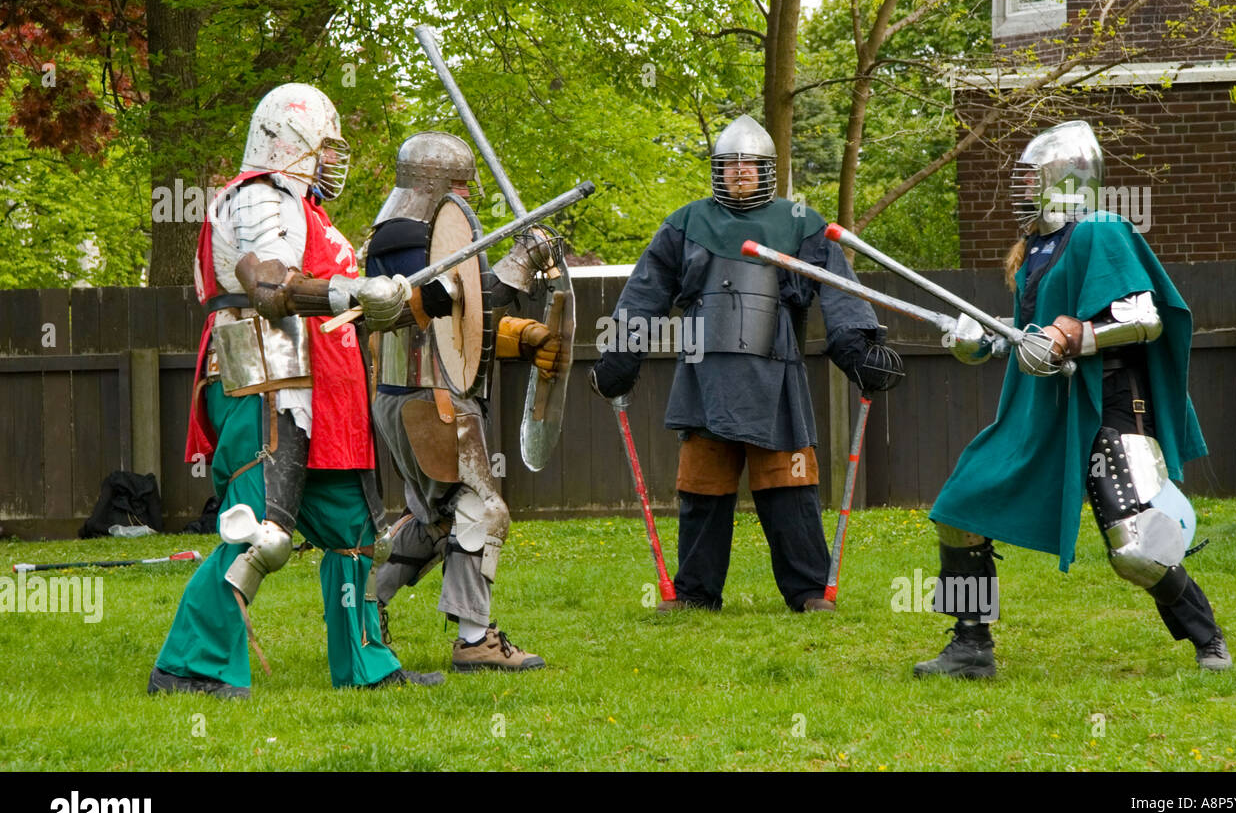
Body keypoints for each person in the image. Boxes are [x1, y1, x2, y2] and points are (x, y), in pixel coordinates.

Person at [148, 83, 442, 697]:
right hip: (262, 380)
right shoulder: (259, 198)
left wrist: (384, 301)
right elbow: (271, 285)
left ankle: (366, 668)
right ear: (292, 140)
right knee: (256, 531)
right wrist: (351, 292)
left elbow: (326, 295)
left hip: (320, 391)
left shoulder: (306, 209)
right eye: (325, 147)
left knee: (355, 537)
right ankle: (189, 667)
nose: (332, 160)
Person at [916, 119, 1231, 678]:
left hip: (1107, 401)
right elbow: (1029, 339)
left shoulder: (1100, 230)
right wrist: (982, 341)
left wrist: (1074, 335)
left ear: (1065, 180)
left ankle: (1209, 639)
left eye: (1032, 176)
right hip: (1046, 410)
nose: (1022, 187)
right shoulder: (1036, 248)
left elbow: (1143, 318)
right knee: (960, 507)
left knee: (1135, 549)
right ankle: (970, 646)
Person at [589, 115, 902, 613]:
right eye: (729, 164)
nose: (739, 172)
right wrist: (620, 356)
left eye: (749, 165)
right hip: (702, 375)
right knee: (702, 487)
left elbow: (840, 288)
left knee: (789, 485)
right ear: (717, 170)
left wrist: (856, 346)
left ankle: (807, 591)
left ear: (766, 170)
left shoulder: (801, 222)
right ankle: (695, 592)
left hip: (776, 372)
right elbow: (645, 293)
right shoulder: (685, 223)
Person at [363, 131, 556, 671]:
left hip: (421, 393)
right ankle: (475, 641)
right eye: (459, 187)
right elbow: (449, 306)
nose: (467, 199)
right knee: (480, 510)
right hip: (429, 395)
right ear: (435, 185)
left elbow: (472, 321)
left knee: (435, 520)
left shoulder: (400, 231)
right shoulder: (404, 236)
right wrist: (520, 260)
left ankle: (364, 606)